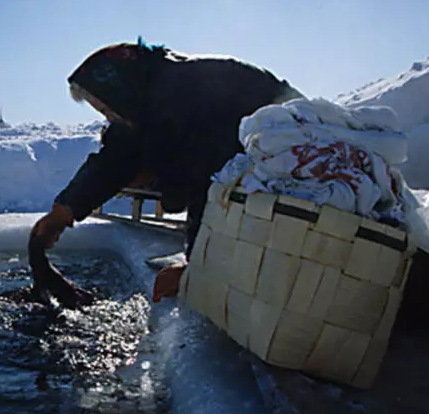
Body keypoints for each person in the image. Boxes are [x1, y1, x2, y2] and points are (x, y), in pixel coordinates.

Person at [29, 38, 305, 306]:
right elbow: (114, 160)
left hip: (295, 155)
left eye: (105, 108)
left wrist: (195, 266)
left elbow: (208, 179)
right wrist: (63, 211)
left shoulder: (182, 94)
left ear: (117, 90)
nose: (108, 117)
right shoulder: (145, 95)